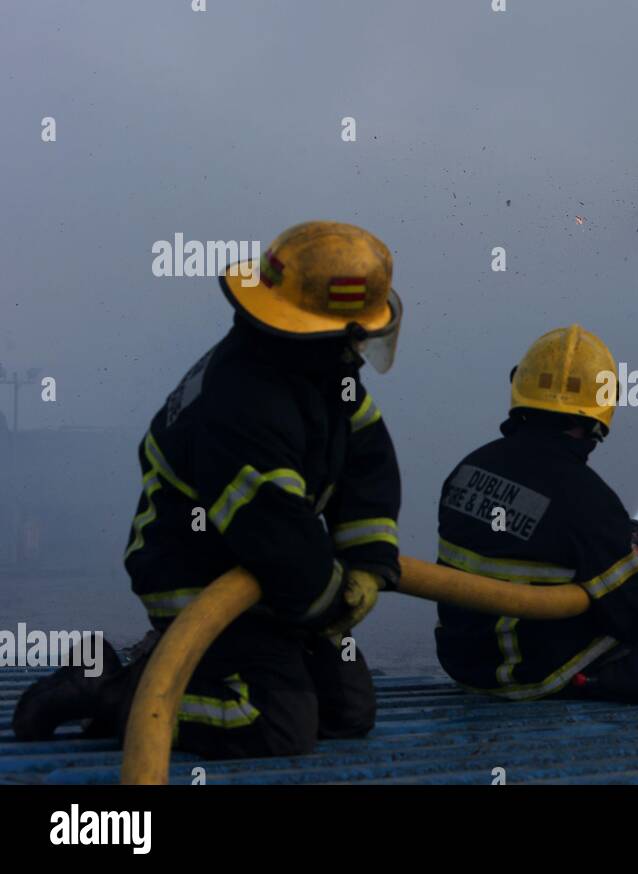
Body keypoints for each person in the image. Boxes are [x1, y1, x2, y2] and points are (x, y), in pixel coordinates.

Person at [13, 221, 404, 758]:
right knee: (277, 724)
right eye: (353, 334)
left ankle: (156, 671)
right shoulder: (243, 400)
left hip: (277, 580)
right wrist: (328, 601)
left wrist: (369, 560)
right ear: (317, 332)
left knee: (347, 713)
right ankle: (111, 693)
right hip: (200, 578)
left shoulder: (319, 376)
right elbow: (270, 523)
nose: (360, 349)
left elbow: (369, 461)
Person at [434, 324, 638, 707]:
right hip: (543, 674)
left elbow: (524, 547)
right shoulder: (585, 498)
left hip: (466, 666)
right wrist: (628, 559)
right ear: (598, 411)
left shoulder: (467, 471)